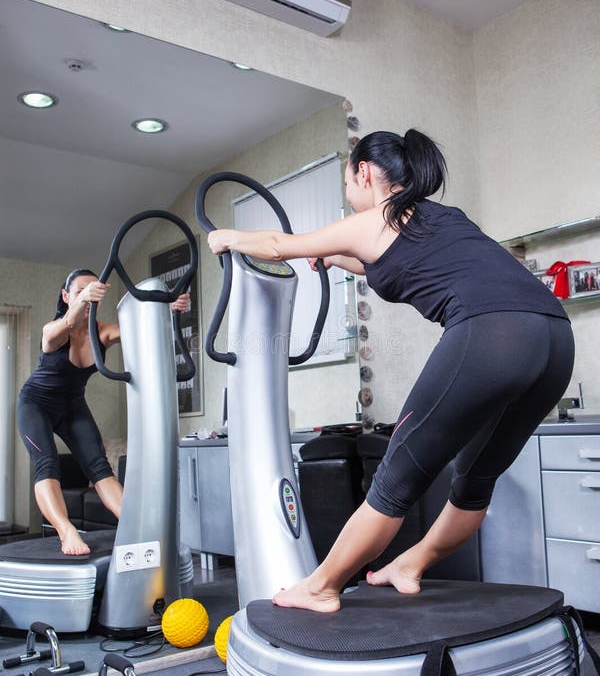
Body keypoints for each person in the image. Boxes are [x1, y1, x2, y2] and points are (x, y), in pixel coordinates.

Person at [207, 129, 574, 613]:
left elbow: (277, 244)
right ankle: (410, 564)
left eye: (346, 183)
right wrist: (338, 257)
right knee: (475, 477)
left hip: (492, 333)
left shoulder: (375, 216)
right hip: (553, 336)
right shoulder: (439, 216)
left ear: (363, 172)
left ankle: (320, 586)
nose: (348, 194)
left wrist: (226, 236)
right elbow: (386, 262)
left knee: (396, 477)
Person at [18, 268, 189, 556]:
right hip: (36, 404)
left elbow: (143, 325)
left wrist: (169, 308)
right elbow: (69, 321)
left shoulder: (104, 331)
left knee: (100, 469)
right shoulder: (54, 330)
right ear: (66, 296)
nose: (86, 297)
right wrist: (83, 300)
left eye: (91, 291)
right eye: (79, 292)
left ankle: (137, 527)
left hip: (73, 406)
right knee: (47, 464)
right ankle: (66, 531)